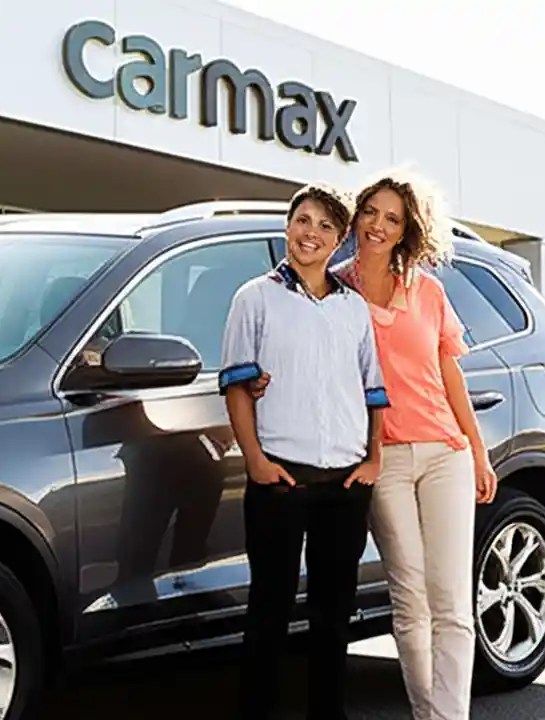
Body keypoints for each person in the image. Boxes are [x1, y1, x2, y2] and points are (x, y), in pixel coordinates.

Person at [248, 170, 498, 720]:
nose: (378, 226)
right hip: (378, 459)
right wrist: (262, 380)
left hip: (443, 452)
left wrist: (476, 451)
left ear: (406, 229)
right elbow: (303, 361)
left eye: (393, 218)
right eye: (371, 213)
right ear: (354, 218)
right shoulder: (332, 288)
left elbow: (448, 371)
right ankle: (424, 711)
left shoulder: (427, 290)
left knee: (452, 601)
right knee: (408, 599)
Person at [219, 183, 389, 720]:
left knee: (333, 616)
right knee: (268, 611)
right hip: (280, 482)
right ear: (287, 227)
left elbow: (372, 390)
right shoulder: (255, 298)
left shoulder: (353, 309)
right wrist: (256, 460)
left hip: (344, 485)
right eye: (302, 220)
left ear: (339, 241)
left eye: (322, 226)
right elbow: (237, 386)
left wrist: (373, 458)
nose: (309, 233)